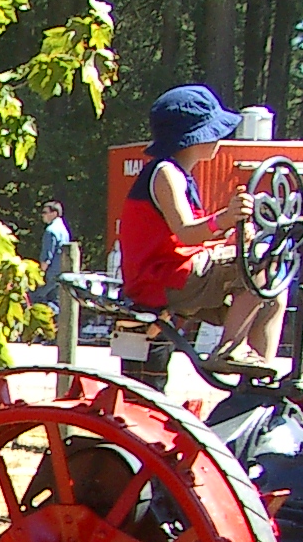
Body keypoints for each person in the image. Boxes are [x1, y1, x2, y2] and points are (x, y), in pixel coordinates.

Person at [117, 84, 285, 378]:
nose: (221, 137)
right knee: (263, 263)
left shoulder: (180, 174)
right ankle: (230, 349)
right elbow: (185, 233)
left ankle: (258, 374)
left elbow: (190, 236)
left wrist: (231, 235)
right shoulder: (166, 173)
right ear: (193, 136)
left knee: (273, 292)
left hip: (177, 273)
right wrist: (225, 218)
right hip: (162, 278)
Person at [30, 199, 70, 307]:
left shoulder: (51, 231)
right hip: (61, 272)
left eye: (45, 212)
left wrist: (40, 274)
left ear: (54, 213)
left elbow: (47, 256)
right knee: (54, 301)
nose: (42, 215)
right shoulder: (64, 230)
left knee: (35, 298)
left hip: (50, 274)